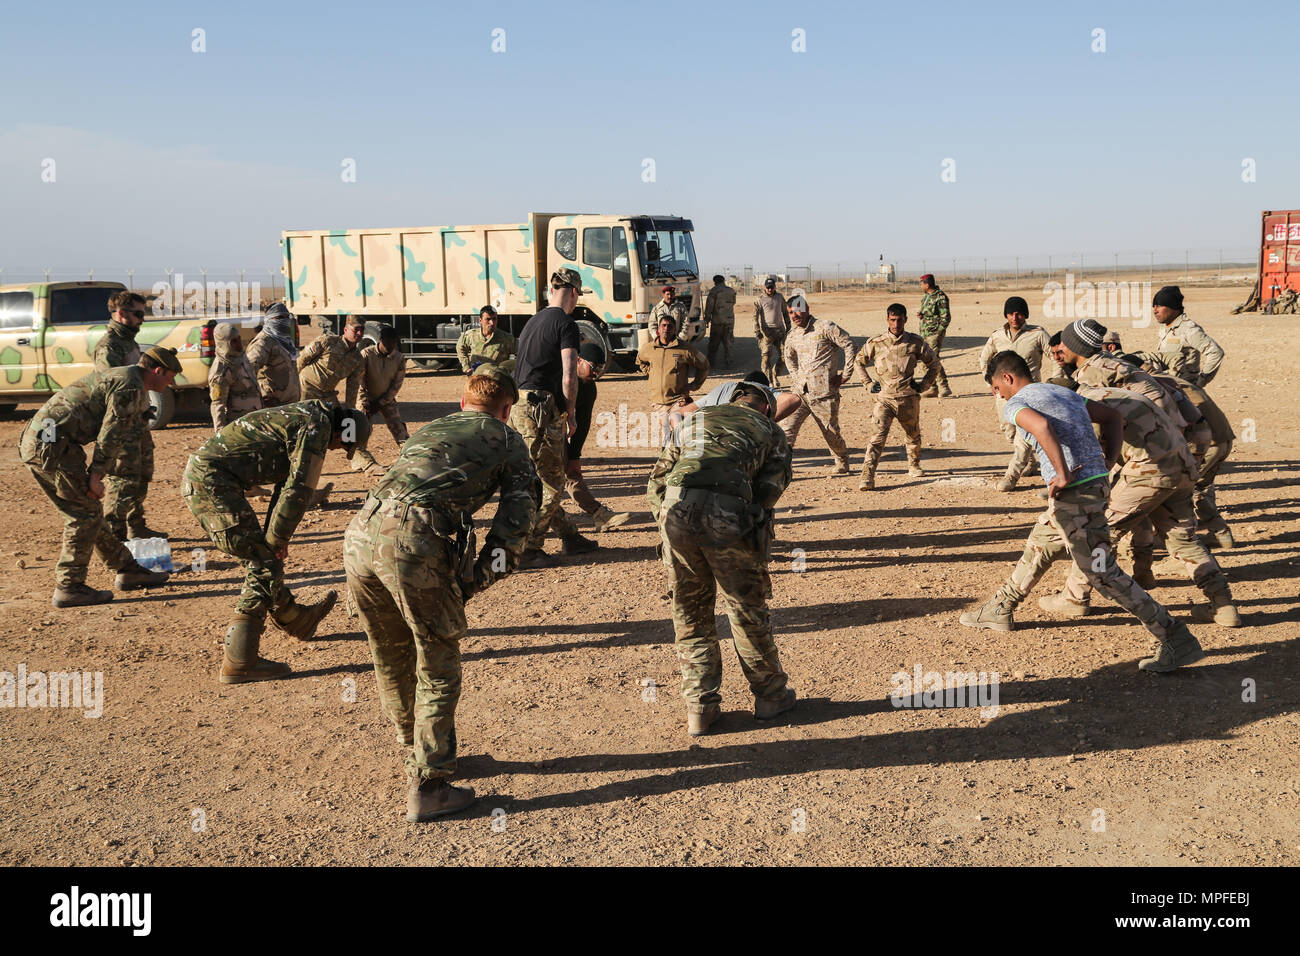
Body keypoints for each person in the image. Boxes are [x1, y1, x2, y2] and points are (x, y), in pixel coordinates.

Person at [344, 365, 538, 822]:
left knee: (391, 651)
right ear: (506, 410)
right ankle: (429, 785)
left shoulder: (432, 428)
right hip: (411, 542)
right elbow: (516, 525)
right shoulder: (508, 440)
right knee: (437, 659)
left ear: (463, 402)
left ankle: (420, 751)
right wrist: (472, 584)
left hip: (360, 534)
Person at [959, 351, 1204, 673]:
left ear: (1006, 378)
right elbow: (1114, 418)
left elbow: (1042, 426)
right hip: (1094, 485)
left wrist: (1061, 474)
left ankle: (1174, 636)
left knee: (1101, 573)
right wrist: (1107, 462)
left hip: (1075, 493)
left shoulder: (1015, 403)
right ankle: (1000, 607)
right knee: (1042, 541)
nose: (997, 394)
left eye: (995, 386)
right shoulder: (1063, 392)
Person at [647, 380, 795, 736]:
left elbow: (657, 482)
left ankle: (700, 707)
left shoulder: (694, 421)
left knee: (690, 610)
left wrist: (670, 525)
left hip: (676, 511)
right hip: (730, 515)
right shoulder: (770, 431)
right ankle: (770, 697)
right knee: (745, 608)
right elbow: (768, 492)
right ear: (766, 408)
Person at [183, 402, 369, 683]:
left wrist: (276, 535)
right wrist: (277, 539)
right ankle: (240, 662)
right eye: (341, 445)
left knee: (265, 556)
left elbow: (285, 485)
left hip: (213, 481)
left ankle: (297, 620)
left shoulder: (308, 419)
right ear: (343, 430)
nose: (335, 450)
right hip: (211, 484)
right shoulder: (315, 426)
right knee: (263, 565)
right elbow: (298, 490)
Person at [1043, 382, 1242, 627]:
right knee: (1185, 540)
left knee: (1100, 530)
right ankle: (1223, 605)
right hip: (1182, 464)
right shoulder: (1114, 394)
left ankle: (1074, 598)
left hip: (1149, 471)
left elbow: (1097, 458)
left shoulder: (1084, 406)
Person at [20, 348, 178, 607]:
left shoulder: (127, 377)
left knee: (90, 512)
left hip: (48, 442)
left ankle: (128, 569)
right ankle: (69, 586)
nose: (171, 383)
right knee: (83, 516)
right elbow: (111, 433)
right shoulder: (130, 386)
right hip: (53, 447)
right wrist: (97, 474)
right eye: (171, 376)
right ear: (158, 371)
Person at [510, 268, 597, 564]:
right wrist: (571, 412)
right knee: (552, 483)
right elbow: (570, 373)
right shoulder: (565, 323)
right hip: (541, 407)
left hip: (520, 406)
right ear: (573, 292)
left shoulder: (533, 321)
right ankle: (529, 549)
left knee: (540, 476)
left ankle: (570, 537)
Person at [1132, 352, 1236, 549]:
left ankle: (1175, 544)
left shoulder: (1155, 385)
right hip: (1223, 440)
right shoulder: (1170, 378)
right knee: (1198, 489)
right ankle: (1221, 535)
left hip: (1206, 443)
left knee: (1176, 492)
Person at [93, 290, 162, 541]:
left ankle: (136, 524)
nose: (142, 319)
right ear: (121, 314)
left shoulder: (129, 342)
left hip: (139, 420)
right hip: (123, 424)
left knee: (141, 475)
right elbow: (113, 388)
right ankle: (114, 531)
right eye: (138, 314)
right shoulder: (109, 347)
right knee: (121, 479)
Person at [855, 304, 939, 490]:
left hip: (908, 398)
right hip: (884, 399)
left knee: (913, 435)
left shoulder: (915, 342)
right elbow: (858, 362)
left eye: (900, 320)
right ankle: (867, 476)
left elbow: (934, 365)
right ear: (887, 319)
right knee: (877, 438)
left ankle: (914, 464)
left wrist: (924, 385)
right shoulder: (876, 343)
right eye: (892, 320)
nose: (896, 324)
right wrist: (868, 384)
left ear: (905, 320)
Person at [977, 296, 1057, 491]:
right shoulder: (997, 336)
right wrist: (991, 382)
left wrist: (1055, 381)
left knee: (1024, 434)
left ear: (1025, 315)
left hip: (1030, 393)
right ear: (1006, 314)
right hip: (1004, 395)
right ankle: (1029, 462)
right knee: (1009, 431)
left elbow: (1055, 356)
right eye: (1011, 313)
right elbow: (984, 359)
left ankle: (1011, 476)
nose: (1015, 317)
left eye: (1019, 313)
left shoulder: (1038, 334)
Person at [781, 294, 857, 475]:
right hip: (800, 394)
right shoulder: (792, 335)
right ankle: (782, 466)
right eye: (790, 312)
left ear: (806, 309)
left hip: (823, 394)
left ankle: (842, 461)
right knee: (786, 429)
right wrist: (796, 377)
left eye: (797, 311)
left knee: (830, 433)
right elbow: (788, 357)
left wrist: (845, 375)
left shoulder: (825, 328)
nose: (794, 315)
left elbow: (849, 345)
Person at [566, 341, 631, 532]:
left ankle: (598, 514)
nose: (596, 373)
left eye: (600, 369)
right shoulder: (558, 378)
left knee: (570, 474)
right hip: (535, 432)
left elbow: (583, 423)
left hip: (556, 433)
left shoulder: (588, 388)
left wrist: (573, 456)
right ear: (578, 360)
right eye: (593, 367)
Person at [298, 314, 367, 469]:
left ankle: (359, 459)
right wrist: (293, 387)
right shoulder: (327, 341)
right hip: (306, 389)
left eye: (362, 331)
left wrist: (350, 410)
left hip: (327, 394)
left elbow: (352, 387)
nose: (359, 334)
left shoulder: (357, 359)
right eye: (356, 330)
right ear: (345, 329)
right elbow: (301, 360)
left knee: (347, 423)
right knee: (304, 426)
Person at [636, 311, 710, 437]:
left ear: (675, 329)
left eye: (670, 326)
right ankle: (669, 453)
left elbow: (704, 365)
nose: (666, 329)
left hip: (678, 400)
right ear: (658, 329)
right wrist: (651, 373)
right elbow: (640, 360)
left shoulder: (686, 349)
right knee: (665, 433)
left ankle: (679, 452)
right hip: (658, 402)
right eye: (663, 325)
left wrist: (694, 385)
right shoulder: (649, 348)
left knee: (678, 430)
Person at [356, 326, 410, 469]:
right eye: (387, 343)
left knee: (398, 427)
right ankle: (359, 457)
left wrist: (382, 402)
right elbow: (359, 381)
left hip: (386, 398)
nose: (390, 346)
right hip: (366, 398)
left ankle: (409, 455)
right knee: (362, 427)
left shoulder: (398, 358)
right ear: (380, 340)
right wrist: (365, 401)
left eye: (393, 343)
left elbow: (396, 385)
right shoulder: (366, 355)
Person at [1153, 286, 1224, 386]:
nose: (1155, 310)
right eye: (1154, 306)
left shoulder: (1188, 329)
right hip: (1166, 386)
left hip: (1184, 389)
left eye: (1160, 305)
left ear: (1173, 307)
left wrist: (1200, 382)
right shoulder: (1164, 328)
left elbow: (1216, 352)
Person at [678, 370, 802, 422]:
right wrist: (766, 422)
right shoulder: (762, 390)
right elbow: (794, 399)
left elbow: (683, 412)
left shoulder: (723, 387)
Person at [208, 323, 262, 431]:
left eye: (239, 339)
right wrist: (221, 436)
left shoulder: (240, 357)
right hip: (239, 427)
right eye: (233, 341)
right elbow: (218, 406)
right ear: (224, 344)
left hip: (255, 422)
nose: (239, 344)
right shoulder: (221, 372)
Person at [247, 303, 301, 407]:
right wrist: (261, 397)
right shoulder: (263, 342)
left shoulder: (286, 341)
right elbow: (248, 372)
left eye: (287, 317)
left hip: (290, 405)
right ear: (269, 320)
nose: (285, 321)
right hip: (274, 408)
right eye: (280, 317)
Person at [917, 274, 955, 398]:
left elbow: (946, 317)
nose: (920, 286)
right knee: (925, 359)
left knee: (933, 359)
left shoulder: (940, 297)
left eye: (922, 283)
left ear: (927, 284)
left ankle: (944, 386)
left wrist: (939, 332)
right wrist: (922, 315)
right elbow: (928, 313)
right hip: (925, 333)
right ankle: (933, 388)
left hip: (934, 334)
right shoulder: (926, 297)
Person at [456, 305, 517, 375]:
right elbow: (460, 347)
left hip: (497, 379)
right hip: (477, 379)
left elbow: (521, 352)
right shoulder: (471, 336)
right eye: (488, 319)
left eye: (494, 319)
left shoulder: (506, 338)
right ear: (480, 320)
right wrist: (466, 367)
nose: (492, 323)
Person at [753, 277, 790, 386]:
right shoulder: (759, 299)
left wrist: (789, 328)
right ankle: (768, 381)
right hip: (766, 333)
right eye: (768, 287)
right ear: (764, 287)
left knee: (784, 356)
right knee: (766, 358)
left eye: (772, 287)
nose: (770, 289)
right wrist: (757, 331)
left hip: (780, 332)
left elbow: (785, 313)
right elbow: (755, 317)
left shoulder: (779, 297)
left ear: (775, 287)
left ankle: (774, 374)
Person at [702, 274, 736, 368]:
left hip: (718, 321)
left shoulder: (714, 291)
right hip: (729, 321)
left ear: (715, 282)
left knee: (714, 343)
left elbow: (709, 306)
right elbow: (733, 302)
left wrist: (707, 319)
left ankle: (710, 363)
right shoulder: (731, 290)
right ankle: (729, 363)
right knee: (728, 343)